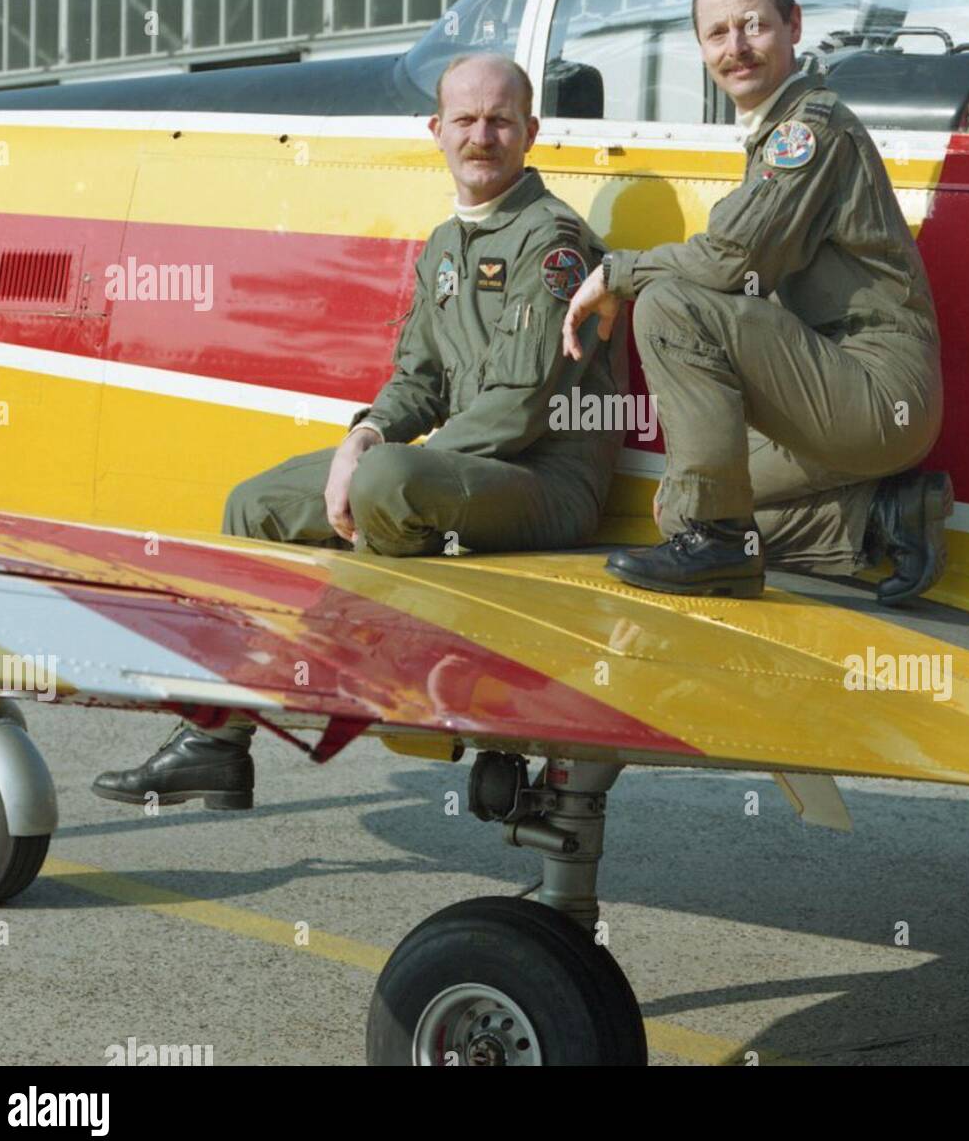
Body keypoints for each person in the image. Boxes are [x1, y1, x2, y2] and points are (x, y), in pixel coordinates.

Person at [93, 53, 623, 811]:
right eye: (466, 121)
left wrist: (391, 467)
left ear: (531, 131)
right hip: (458, 476)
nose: (483, 137)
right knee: (257, 505)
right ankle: (216, 741)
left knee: (387, 486)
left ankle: (377, 656)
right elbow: (419, 380)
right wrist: (365, 436)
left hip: (546, 483)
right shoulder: (446, 245)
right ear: (437, 131)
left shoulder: (553, 242)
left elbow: (520, 404)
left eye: (501, 120)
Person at [562, 0, 951, 602]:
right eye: (717, 34)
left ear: (793, 26)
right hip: (831, 391)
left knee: (666, 302)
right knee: (678, 510)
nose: (736, 48)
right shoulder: (769, 134)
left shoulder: (809, 128)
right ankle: (883, 519)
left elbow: (726, 262)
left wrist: (616, 272)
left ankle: (718, 549)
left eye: (754, 26)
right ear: (701, 48)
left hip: (874, 389)